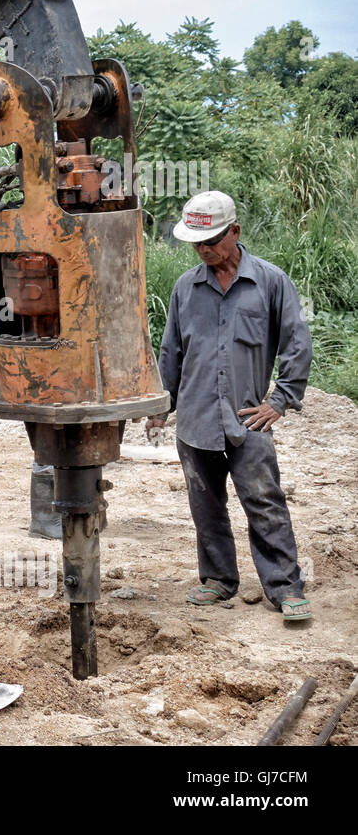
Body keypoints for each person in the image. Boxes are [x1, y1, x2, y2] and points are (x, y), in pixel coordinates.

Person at [148, 191, 314, 623]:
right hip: (195, 419)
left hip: (247, 418)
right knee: (205, 504)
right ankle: (219, 580)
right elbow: (172, 353)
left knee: (264, 501)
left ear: (235, 232)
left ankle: (284, 587)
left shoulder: (270, 282)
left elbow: (297, 343)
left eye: (211, 241)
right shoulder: (186, 287)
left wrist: (280, 399)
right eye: (196, 243)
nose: (203, 250)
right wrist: (160, 408)